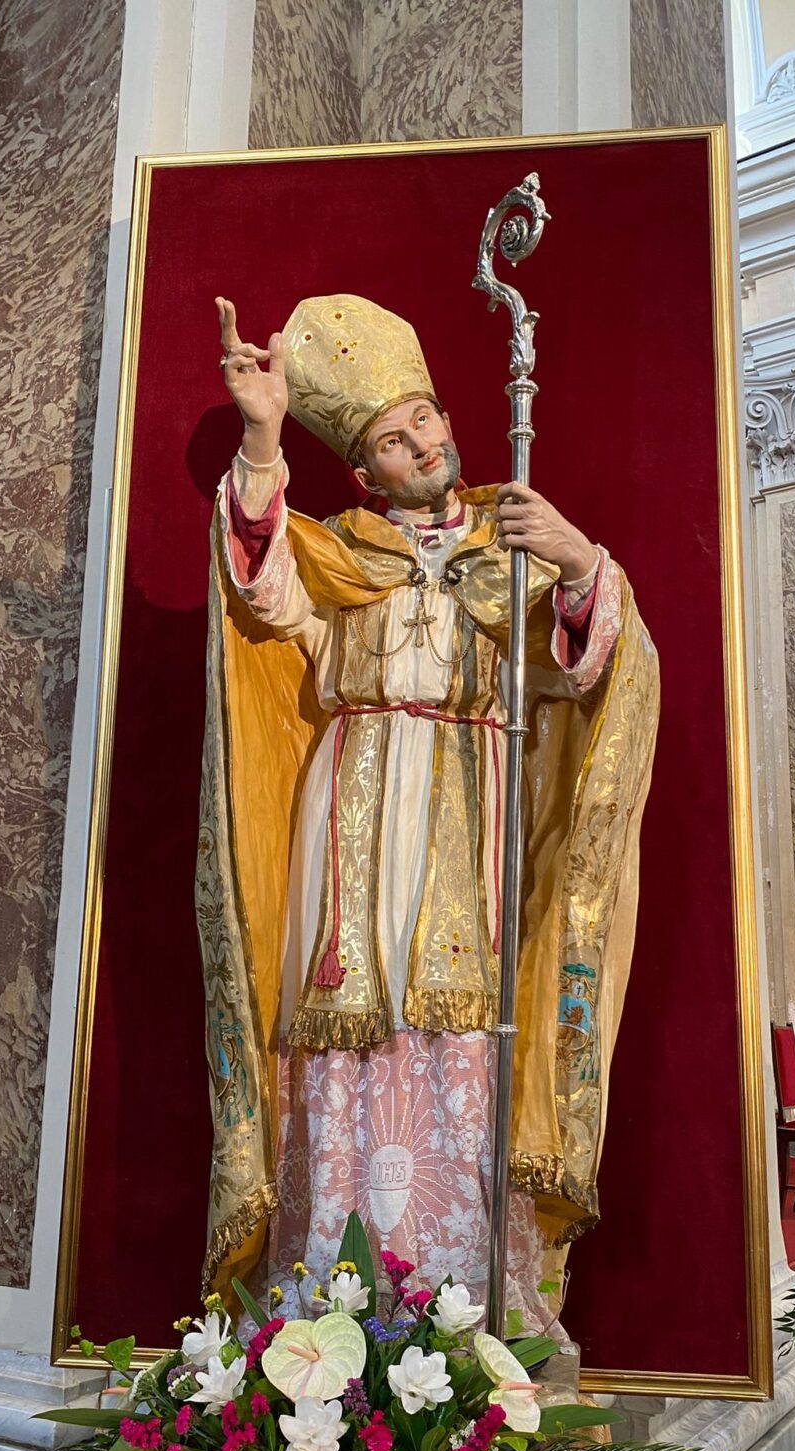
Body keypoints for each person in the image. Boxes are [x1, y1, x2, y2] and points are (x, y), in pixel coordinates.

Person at [198, 292, 659, 1324]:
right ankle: (334, 1311)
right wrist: (263, 435)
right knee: (348, 1038)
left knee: (464, 1035)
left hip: (472, 808)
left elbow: (592, 676)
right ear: (366, 474)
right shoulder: (340, 551)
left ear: (450, 423)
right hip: (352, 806)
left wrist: (581, 563)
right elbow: (263, 590)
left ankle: (469, 1317)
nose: (419, 445)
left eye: (426, 422)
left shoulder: (520, 548)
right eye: (391, 443)